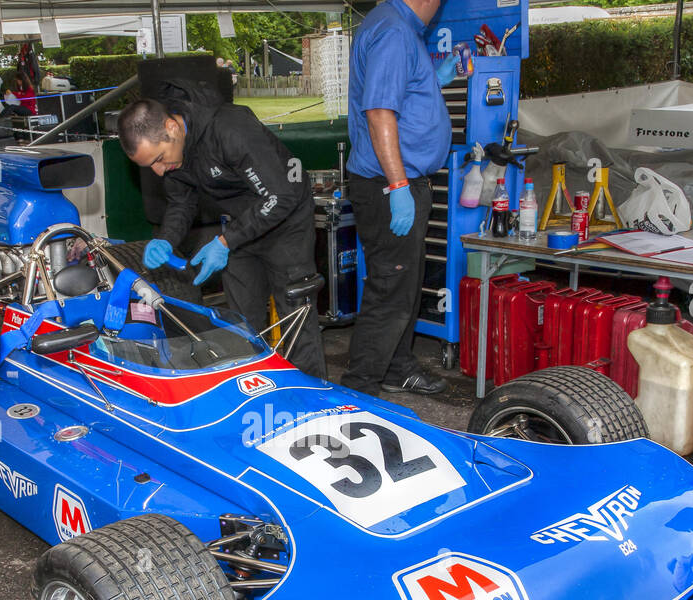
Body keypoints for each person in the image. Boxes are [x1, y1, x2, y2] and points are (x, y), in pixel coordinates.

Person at [116, 86, 326, 378]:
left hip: (285, 218)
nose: (160, 171)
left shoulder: (230, 129)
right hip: (238, 224)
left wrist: (226, 242)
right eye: (151, 165)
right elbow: (181, 201)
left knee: (295, 315)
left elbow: (280, 196)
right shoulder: (173, 152)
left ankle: (311, 398)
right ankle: (251, 392)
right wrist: (166, 238)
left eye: (159, 159)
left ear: (172, 127)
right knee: (239, 324)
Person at [341, 0, 457, 396]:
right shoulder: (393, 31)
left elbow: (400, 96)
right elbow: (378, 112)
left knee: (404, 285)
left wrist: (436, 79)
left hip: (396, 181)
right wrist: (400, 186)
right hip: (390, 184)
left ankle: (397, 368)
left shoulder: (395, 26)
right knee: (390, 290)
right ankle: (359, 392)